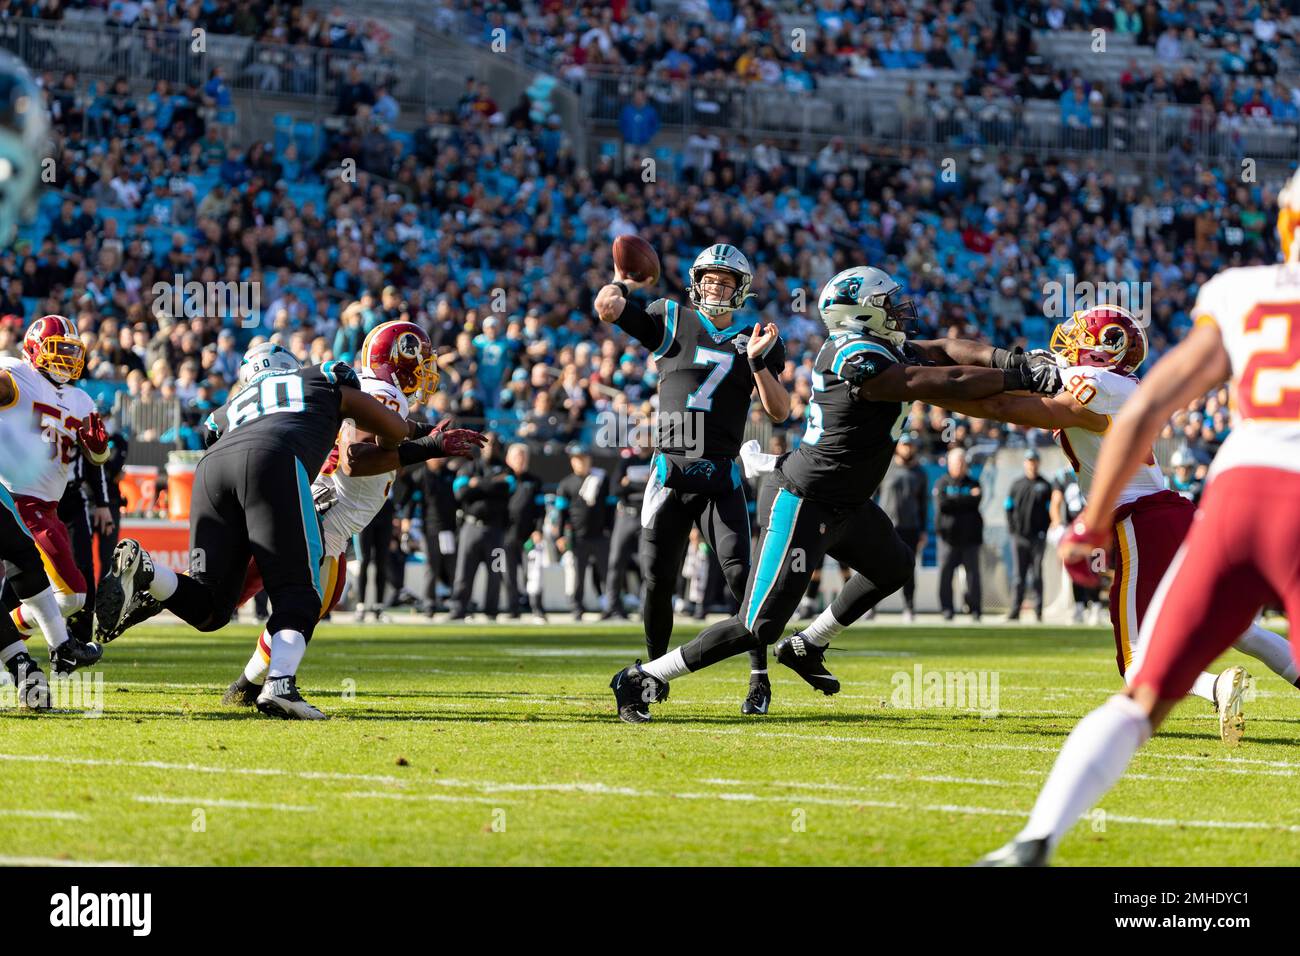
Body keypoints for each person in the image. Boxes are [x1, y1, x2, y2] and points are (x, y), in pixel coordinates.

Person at [978, 178, 1300, 864]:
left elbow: (1154, 403)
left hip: (1237, 492)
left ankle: (1033, 843)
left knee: (1141, 684)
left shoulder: (1244, 290)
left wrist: (1089, 523)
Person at [608, 265, 1059, 722]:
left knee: (893, 566)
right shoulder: (853, 354)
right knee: (757, 624)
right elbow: (939, 381)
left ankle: (808, 644)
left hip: (846, 501)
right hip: (803, 499)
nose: (899, 310)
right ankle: (644, 675)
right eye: (887, 302)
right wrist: (1022, 377)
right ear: (859, 312)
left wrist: (1009, 359)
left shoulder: (883, 345)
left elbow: (945, 350)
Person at [940, 304, 1297, 740]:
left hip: (1142, 521)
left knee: (1133, 660)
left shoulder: (1097, 386)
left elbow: (1005, 407)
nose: (1069, 343)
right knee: (1238, 627)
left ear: (1104, 349)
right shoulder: (1114, 386)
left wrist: (927, 389)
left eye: (1080, 337)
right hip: (1176, 515)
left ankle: (1216, 687)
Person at [95, 343, 414, 719]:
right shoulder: (324, 376)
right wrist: (412, 441)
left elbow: (212, 435)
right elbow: (392, 430)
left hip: (212, 469)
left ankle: (149, 572)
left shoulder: (225, 410)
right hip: (274, 458)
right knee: (298, 591)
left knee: (211, 608)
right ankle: (280, 685)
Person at [593, 242, 789, 714]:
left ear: (741, 289)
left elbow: (779, 412)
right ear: (696, 283)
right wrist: (624, 279)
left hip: (721, 475)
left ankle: (759, 680)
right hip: (670, 471)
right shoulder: (672, 318)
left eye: (726, 281)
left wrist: (760, 362)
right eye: (710, 279)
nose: (716, 288)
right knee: (658, 581)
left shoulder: (758, 337)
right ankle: (652, 678)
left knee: (743, 579)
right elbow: (607, 308)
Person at [0, 315, 110, 688]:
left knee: (73, 596)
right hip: (16, 498)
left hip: (49, 505)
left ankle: (17, 640)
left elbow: (95, 458)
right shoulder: (17, 373)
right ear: (33, 349)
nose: (65, 358)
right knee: (69, 593)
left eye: (70, 351)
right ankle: (56, 646)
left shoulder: (80, 398)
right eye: (58, 349)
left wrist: (97, 450)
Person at [447, 433, 513, 621]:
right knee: (464, 573)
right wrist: (492, 483)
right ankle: (458, 610)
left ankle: (491, 612)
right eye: (487, 443)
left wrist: (476, 485)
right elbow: (460, 493)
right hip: (471, 529)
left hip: (496, 531)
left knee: (495, 572)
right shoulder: (468, 467)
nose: (490, 447)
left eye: (494, 443)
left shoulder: (506, 470)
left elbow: (507, 489)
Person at [554, 445, 611, 620]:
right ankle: (577, 608)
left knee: (607, 573)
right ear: (572, 461)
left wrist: (610, 531)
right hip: (577, 537)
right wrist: (560, 536)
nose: (581, 462)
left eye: (584, 458)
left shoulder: (601, 480)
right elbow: (561, 513)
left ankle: (611, 607)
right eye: (577, 459)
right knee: (577, 575)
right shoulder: (566, 484)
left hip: (600, 535)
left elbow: (609, 508)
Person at [876, 437, 927, 621]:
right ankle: (870, 608)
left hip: (910, 528)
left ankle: (909, 606)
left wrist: (923, 530)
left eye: (910, 445)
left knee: (908, 570)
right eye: (904, 445)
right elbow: (873, 497)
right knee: (876, 568)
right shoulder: (886, 468)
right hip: (885, 527)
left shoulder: (919, 472)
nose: (907, 449)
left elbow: (923, 503)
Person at [933, 447, 984, 621]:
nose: (959, 465)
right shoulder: (942, 483)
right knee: (946, 576)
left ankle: (975, 610)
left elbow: (976, 502)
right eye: (956, 462)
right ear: (949, 464)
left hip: (970, 539)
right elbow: (943, 505)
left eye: (962, 462)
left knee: (973, 576)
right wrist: (966, 498)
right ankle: (947, 609)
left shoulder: (973, 483)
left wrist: (956, 500)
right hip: (948, 539)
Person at [1004, 449, 1052, 621]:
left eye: (1034, 461)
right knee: (1019, 576)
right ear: (1025, 463)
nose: (1032, 464)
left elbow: (1050, 510)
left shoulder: (1045, 485)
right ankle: (1015, 609)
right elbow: (1008, 507)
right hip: (1020, 537)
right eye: (1029, 461)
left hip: (1037, 537)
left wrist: (1044, 531)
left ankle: (1038, 611)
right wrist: (1013, 530)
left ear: (1038, 463)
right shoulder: (1017, 485)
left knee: (1037, 574)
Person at [503, 442, 543, 620]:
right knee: (508, 574)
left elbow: (540, 510)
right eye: (517, 457)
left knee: (532, 574)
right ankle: (513, 609)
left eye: (523, 457)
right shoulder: (503, 479)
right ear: (508, 459)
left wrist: (538, 530)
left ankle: (536, 608)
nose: (521, 460)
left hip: (528, 536)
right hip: (506, 535)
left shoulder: (534, 481)